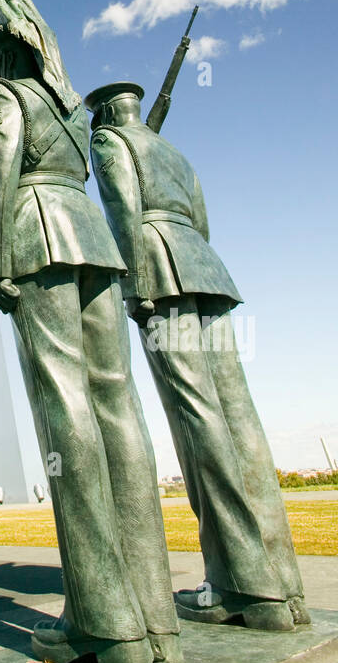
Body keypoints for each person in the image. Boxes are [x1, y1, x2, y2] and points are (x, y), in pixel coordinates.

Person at [0, 0, 183, 663]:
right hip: (94, 244)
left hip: (41, 240)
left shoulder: (3, 95)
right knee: (118, 412)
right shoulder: (68, 106)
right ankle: (153, 618)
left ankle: (108, 627)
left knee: (67, 419)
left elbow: (0, 175)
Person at [86, 81, 306, 631]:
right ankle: (283, 586)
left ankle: (241, 585)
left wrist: (136, 285)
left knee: (197, 419)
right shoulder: (177, 155)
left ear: (108, 111)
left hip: (160, 272)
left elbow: (122, 211)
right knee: (240, 422)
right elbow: (202, 223)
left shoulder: (111, 141)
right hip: (206, 268)